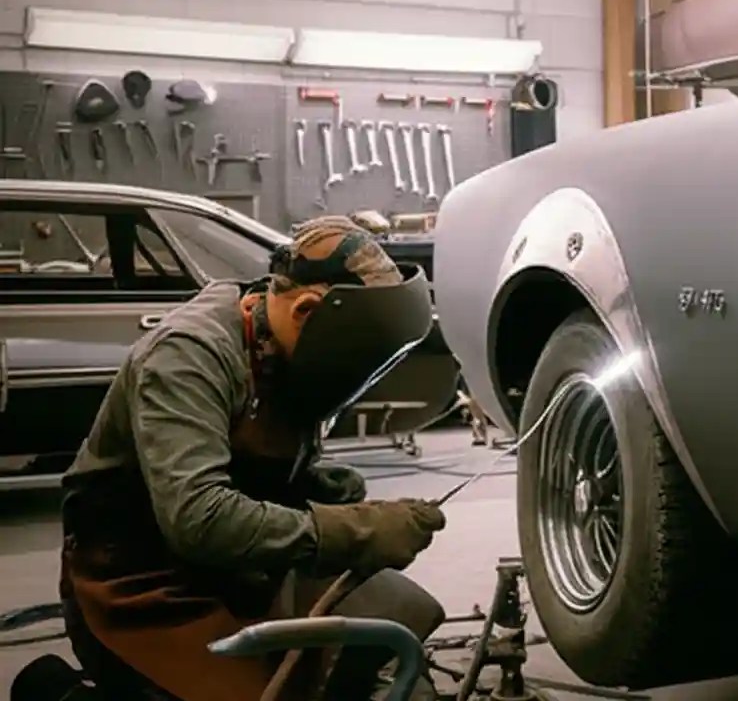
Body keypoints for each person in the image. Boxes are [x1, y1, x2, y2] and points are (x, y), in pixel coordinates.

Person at [57, 216, 446, 701]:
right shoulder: (187, 355)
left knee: (391, 623)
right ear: (306, 309)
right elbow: (199, 519)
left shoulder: (278, 345)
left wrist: (311, 486)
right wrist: (354, 529)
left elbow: (244, 464)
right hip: (136, 583)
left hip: (240, 569)